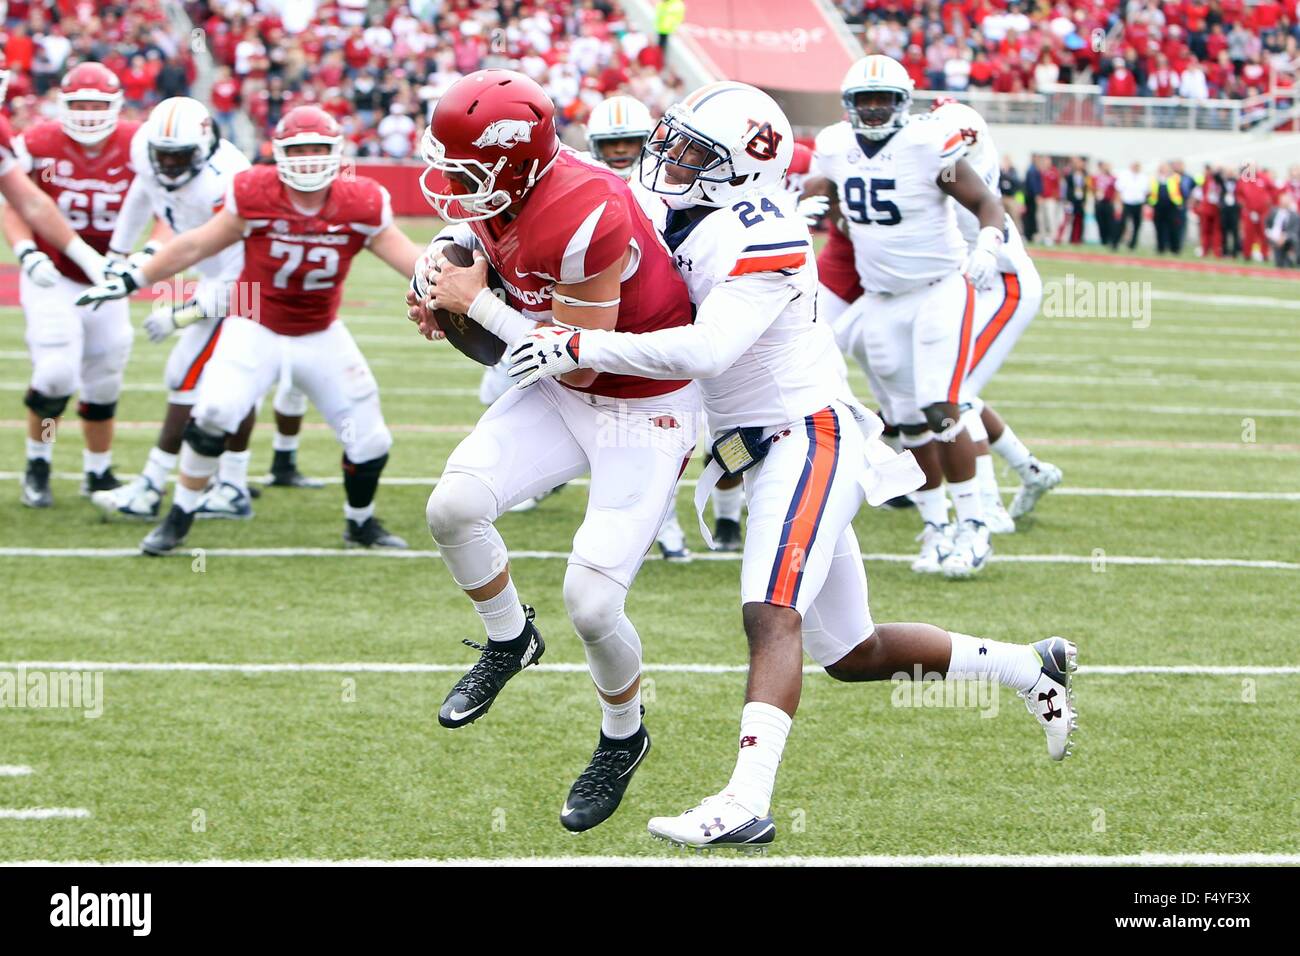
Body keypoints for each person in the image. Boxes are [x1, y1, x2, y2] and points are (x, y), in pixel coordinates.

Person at [506, 77, 1078, 850]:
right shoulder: (680, 202)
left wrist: (579, 344)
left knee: (771, 612)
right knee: (853, 651)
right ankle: (1028, 667)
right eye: (673, 139)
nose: (669, 158)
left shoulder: (761, 231)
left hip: (806, 434)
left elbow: (707, 350)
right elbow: (589, 188)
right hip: (765, 440)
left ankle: (745, 798)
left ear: (742, 169)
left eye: (696, 152)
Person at [412, 70, 701, 833]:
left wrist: (474, 306)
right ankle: (511, 639)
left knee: (594, 602)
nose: (448, 180)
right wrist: (443, 286)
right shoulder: (506, 192)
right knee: (454, 507)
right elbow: (493, 270)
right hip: (565, 385)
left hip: (640, 402)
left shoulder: (584, 210)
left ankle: (622, 735)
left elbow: (579, 356)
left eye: (465, 168)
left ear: (513, 163)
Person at [77, 106, 421, 554]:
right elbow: (196, 243)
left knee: (371, 439)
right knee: (214, 411)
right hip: (256, 324)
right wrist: (132, 278)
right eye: (299, 150)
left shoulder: (363, 202)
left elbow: (412, 261)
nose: (310, 160)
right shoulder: (254, 192)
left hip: (320, 331)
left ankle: (360, 523)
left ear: (337, 153)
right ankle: (178, 517)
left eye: (319, 150)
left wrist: (456, 289)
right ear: (278, 154)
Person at [91, 96, 321, 522]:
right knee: (229, 387)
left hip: (248, 281)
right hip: (215, 273)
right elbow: (143, 192)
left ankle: (151, 487)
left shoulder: (229, 179)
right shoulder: (147, 147)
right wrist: (118, 254)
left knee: (187, 376)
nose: (169, 165)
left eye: (179, 157)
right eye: (163, 155)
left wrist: (180, 314)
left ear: (203, 148)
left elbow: (241, 281)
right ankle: (230, 484)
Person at [4, 63, 135, 508]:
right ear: (63, 104)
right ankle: (39, 461)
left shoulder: (138, 144)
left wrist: (144, 259)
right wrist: (27, 250)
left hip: (109, 277)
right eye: (79, 104)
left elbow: (167, 206)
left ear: (116, 105)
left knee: (105, 378)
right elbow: (14, 201)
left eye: (97, 104)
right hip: (54, 274)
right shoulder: (38, 141)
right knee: (56, 373)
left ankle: (98, 472)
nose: (87, 113)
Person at [1116, 160, 1147, 249]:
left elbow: (1146, 192)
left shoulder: (1143, 177)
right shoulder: (1125, 176)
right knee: (1122, 223)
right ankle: (1116, 242)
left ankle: (1132, 245)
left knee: (1137, 225)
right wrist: (1119, 203)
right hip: (1127, 202)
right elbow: (1119, 190)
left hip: (1138, 203)